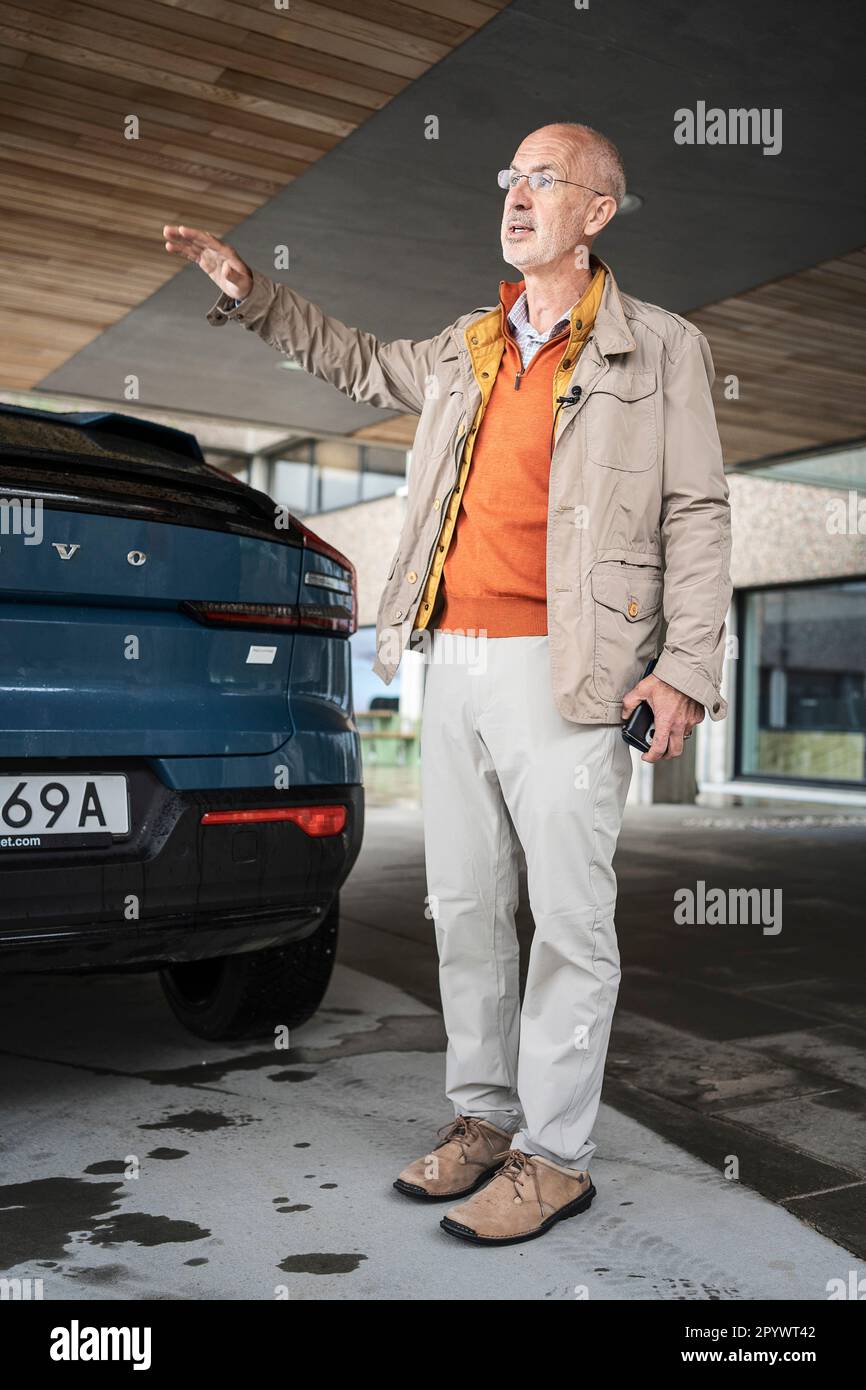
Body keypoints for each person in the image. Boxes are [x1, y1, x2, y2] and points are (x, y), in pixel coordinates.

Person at [163, 121, 731, 1247]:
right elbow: (359, 362)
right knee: (465, 908)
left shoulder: (659, 348)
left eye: (541, 179)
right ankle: (482, 1117)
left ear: (596, 211)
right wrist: (254, 292)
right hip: (453, 659)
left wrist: (683, 670)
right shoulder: (468, 345)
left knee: (568, 921)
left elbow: (696, 512)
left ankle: (556, 1155)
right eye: (507, 175)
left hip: (573, 672)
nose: (515, 196)